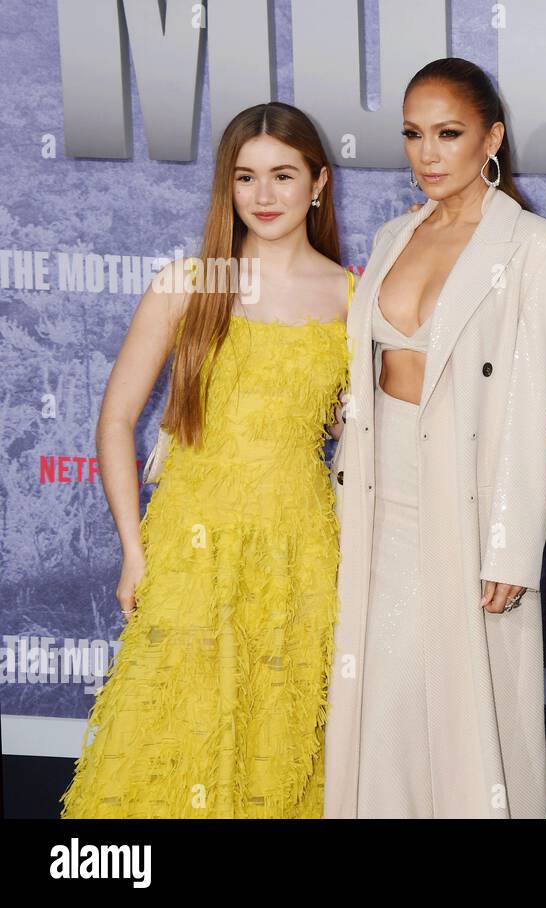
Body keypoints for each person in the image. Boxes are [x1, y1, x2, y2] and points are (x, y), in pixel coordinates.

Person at [60, 102, 352, 818]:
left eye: (283, 175)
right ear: (228, 187)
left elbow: (358, 436)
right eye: (246, 177)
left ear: (317, 183)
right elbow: (117, 420)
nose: (264, 195)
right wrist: (133, 551)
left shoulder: (352, 296)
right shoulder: (189, 284)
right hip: (192, 546)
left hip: (302, 551)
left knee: (278, 731)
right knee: (172, 723)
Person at [323, 58, 546, 819]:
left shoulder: (540, 249)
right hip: (375, 503)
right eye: (413, 134)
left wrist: (509, 542)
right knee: (375, 709)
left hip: (465, 509)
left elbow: (540, 405)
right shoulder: (394, 233)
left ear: (490, 137)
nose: (427, 153)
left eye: (448, 133)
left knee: (460, 715)